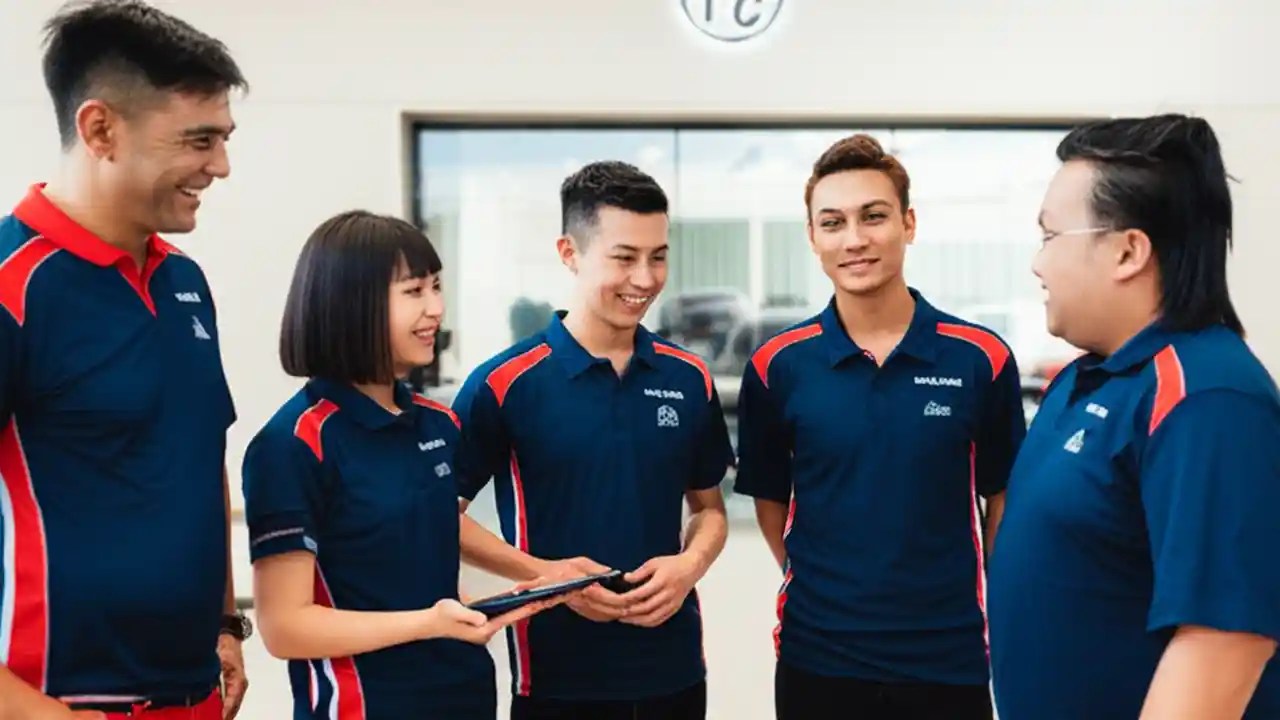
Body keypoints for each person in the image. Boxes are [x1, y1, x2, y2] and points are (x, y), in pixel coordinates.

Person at [0, 2, 249, 718]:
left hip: (194, 693)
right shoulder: (12, 287)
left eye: (224, 138)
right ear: (100, 128)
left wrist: (225, 621)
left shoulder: (185, 283)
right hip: (58, 701)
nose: (221, 166)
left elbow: (200, 455)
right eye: (198, 140)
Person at [986, 114, 1280, 718]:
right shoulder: (1082, 378)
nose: (1038, 265)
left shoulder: (1207, 397)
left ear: (1127, 251)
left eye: (1049, 237)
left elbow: (1223, 639)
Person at [733, 134, 1026, 720]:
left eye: (874, 217)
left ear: (908, 223)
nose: (855, 239)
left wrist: (1008, 608)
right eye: (833, 222)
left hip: (949, 656)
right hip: (818, 657)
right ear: (813, 237)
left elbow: (1003, 498)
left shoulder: (979, 358)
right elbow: (771, 503)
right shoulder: (778, 366)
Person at [241, 210, 568, 720]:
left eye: (436, 287)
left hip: (462, 691)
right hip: (366, 705)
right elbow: (285, 627)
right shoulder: (295, 444)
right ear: (351, 303)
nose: (436, 308)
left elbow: (437, 518)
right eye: (414, 292)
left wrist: (545, 574)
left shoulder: (438, 423)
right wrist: (428, 622)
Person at [451, 161, 734, 720]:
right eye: (624, 258)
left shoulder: (688, 377)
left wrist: (691, 564)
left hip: (674, 672)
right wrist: (542, 574)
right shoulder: (505, 383)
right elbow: (438, 513)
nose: (646, 278)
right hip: (557, 680)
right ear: (569, 253)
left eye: (658, 256)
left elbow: (709, 509)